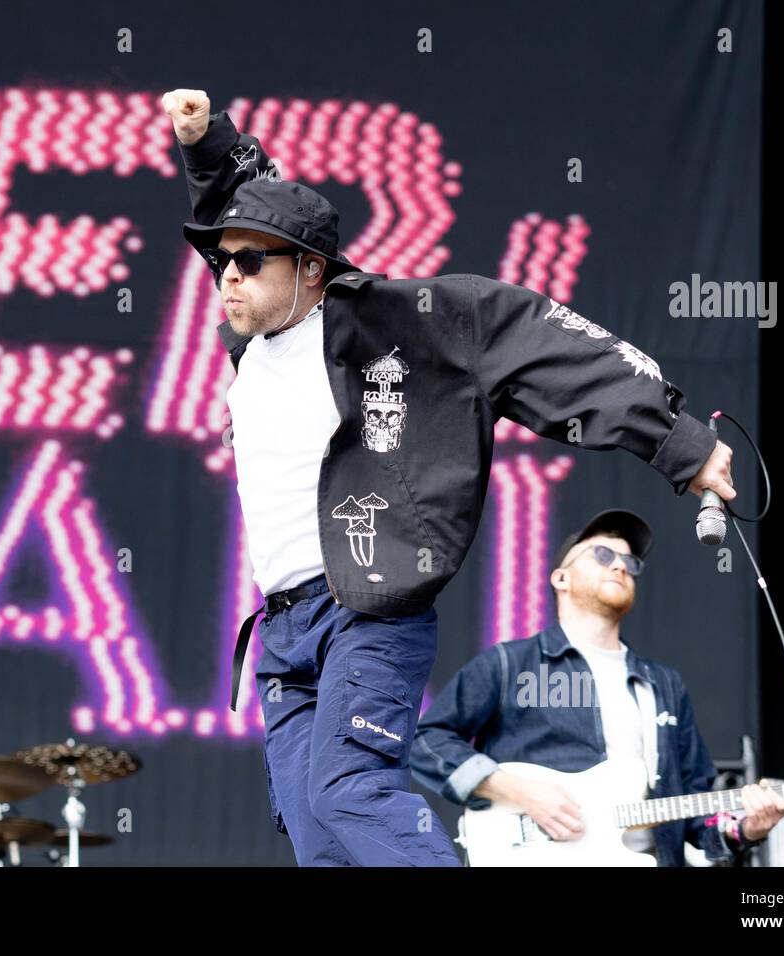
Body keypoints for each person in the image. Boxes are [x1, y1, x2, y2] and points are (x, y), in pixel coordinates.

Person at [162, 90, 736, 866]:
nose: (226, 275)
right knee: (315, 833)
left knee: (350, 790)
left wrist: (683, 446)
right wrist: (205, 142)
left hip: (365, 610)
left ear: (309, 269)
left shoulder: (403, 323)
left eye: (248, 261)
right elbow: (246, 202)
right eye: (220, 259)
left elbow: (548, 352)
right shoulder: (251, 342)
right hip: (285, 631)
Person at [410, 510, 784, 865]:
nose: (622, 565)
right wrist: (518, 791)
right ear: (561, 578)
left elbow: (695, 806)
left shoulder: (663, 685)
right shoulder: (511, 663)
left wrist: (744, 828)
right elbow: (426, 741)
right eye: (603, 554)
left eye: (631, 562)